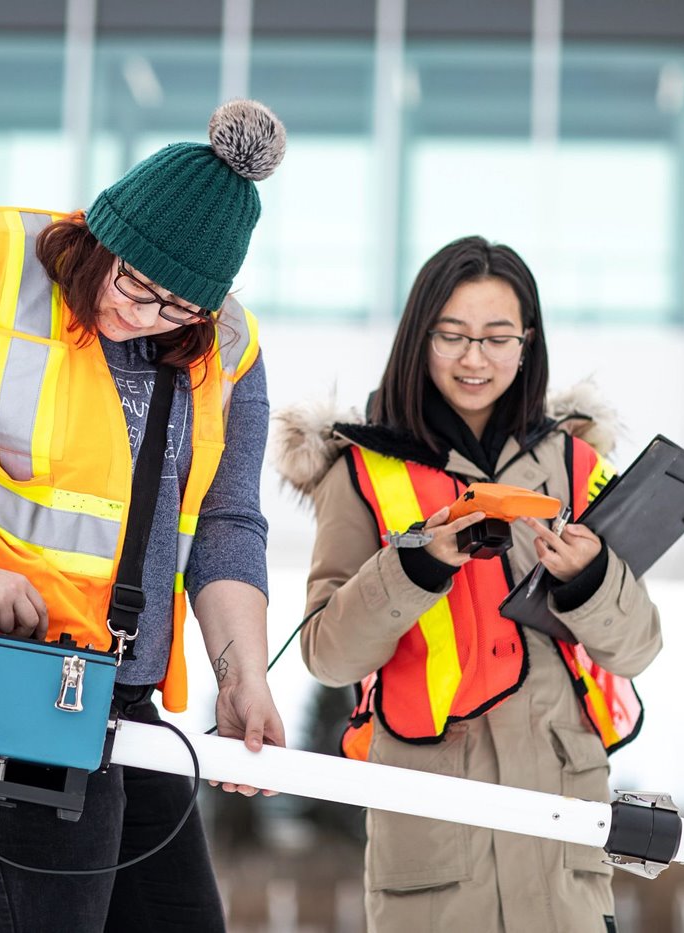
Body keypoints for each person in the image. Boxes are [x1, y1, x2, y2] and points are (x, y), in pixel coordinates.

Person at [0, 99, 288, 933]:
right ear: (105, 232)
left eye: (179, 308)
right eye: (136, 285)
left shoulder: (228, 349)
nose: (144, 317)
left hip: (112, 690)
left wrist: (242, 673)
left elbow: (226, 524)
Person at [274, 236, 662, 933]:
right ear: (418, 339)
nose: (474, 359)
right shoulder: (361, 472)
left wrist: (591, 577)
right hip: (436, 865)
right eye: (451, 335)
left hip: (564, 857)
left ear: (527, 342)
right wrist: (418, 564)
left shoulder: (577, 464)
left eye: (496, 337)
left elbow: (636, 648)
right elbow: (327, 654)